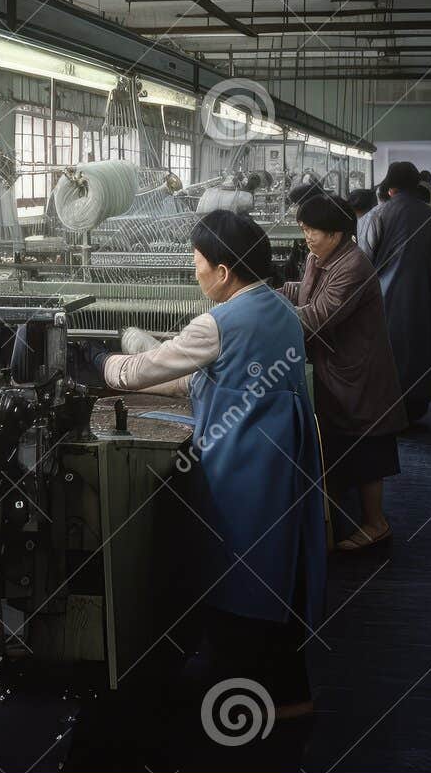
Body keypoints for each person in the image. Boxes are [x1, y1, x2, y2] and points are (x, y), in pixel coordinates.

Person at [80, 210, 325, 719]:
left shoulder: (218, 322)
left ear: (224, 271)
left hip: (243, 467)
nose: (194, 273)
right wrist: (124, 356)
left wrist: (98, 363)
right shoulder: (278, 308)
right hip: (279, 460)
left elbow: (148, 370)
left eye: (197, 263)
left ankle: (241, 701)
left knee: (240, 568)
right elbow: (198, 380)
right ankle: (287, 692)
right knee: (275, 568)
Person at [281, 190, 407, 550]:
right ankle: (339, 516)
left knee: (368, 446)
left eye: (311, 230)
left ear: (336, 233)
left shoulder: (352, 266)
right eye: (304, 228)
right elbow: (305, 294)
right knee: (339, 444)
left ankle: (376, 523)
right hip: (336, 368)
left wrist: (266, 316)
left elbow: (319, 316)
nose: (306, 237)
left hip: (358, 372)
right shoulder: (319, 257)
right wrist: (270, 293)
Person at [359, 161, 431, 424]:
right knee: (421, 344)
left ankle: (388, 404)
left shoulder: (376, 215)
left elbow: (364, 258)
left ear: (389, 186)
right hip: (423, 289)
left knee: (388, 347)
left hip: (385, 292)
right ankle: (417, 402)